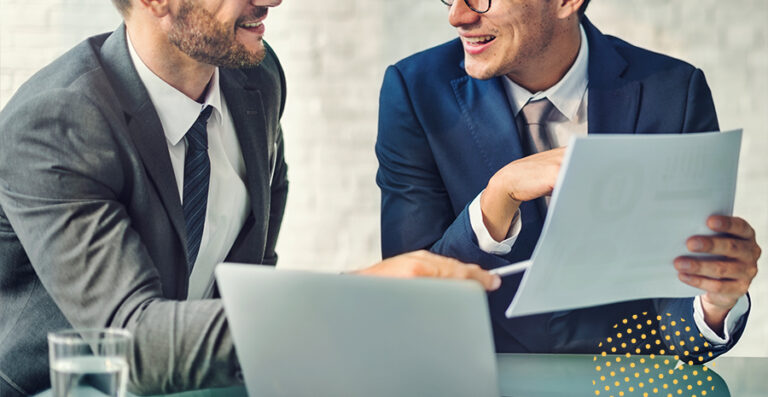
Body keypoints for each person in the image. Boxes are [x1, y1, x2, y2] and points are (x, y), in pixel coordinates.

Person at [0, 0, 501, 395]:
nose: (273, 1)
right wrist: (353, 300)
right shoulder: (57, 122)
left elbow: (250, 275)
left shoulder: (255, 78)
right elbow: (133, 344)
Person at [376, 0, 760, 358]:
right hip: (476, 374)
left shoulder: (675, 92)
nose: (458, 15)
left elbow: (677, 305)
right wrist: (499, 196)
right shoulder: (414, 92)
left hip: (622, 382)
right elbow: (410, 299)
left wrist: (714, 304)